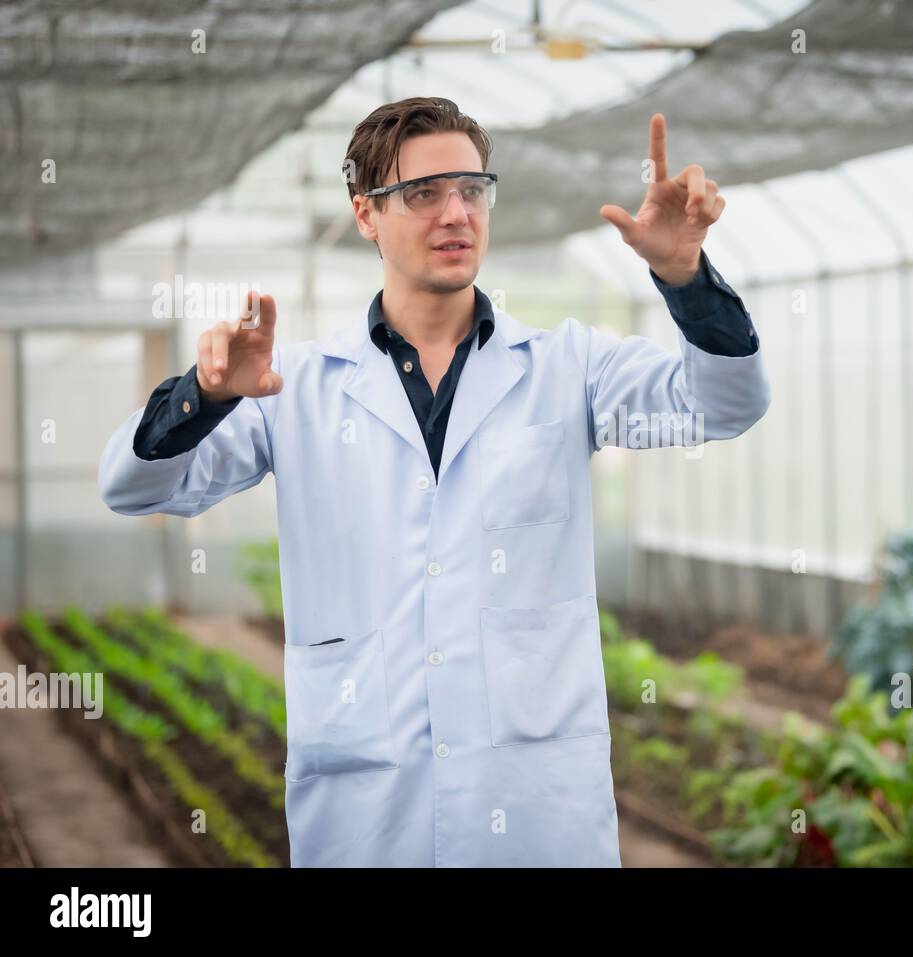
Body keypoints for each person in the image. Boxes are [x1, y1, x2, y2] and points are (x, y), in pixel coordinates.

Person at [98, 96, 771, 866]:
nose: (456, 212)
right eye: (423, 193)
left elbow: (724, 405)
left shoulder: (567, 367)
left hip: (536, 811)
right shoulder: (298, 387)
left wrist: (683, 276)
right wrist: (206, 394)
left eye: (472, 189)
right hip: (369, 816)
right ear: (366, 214)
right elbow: (133, 486)